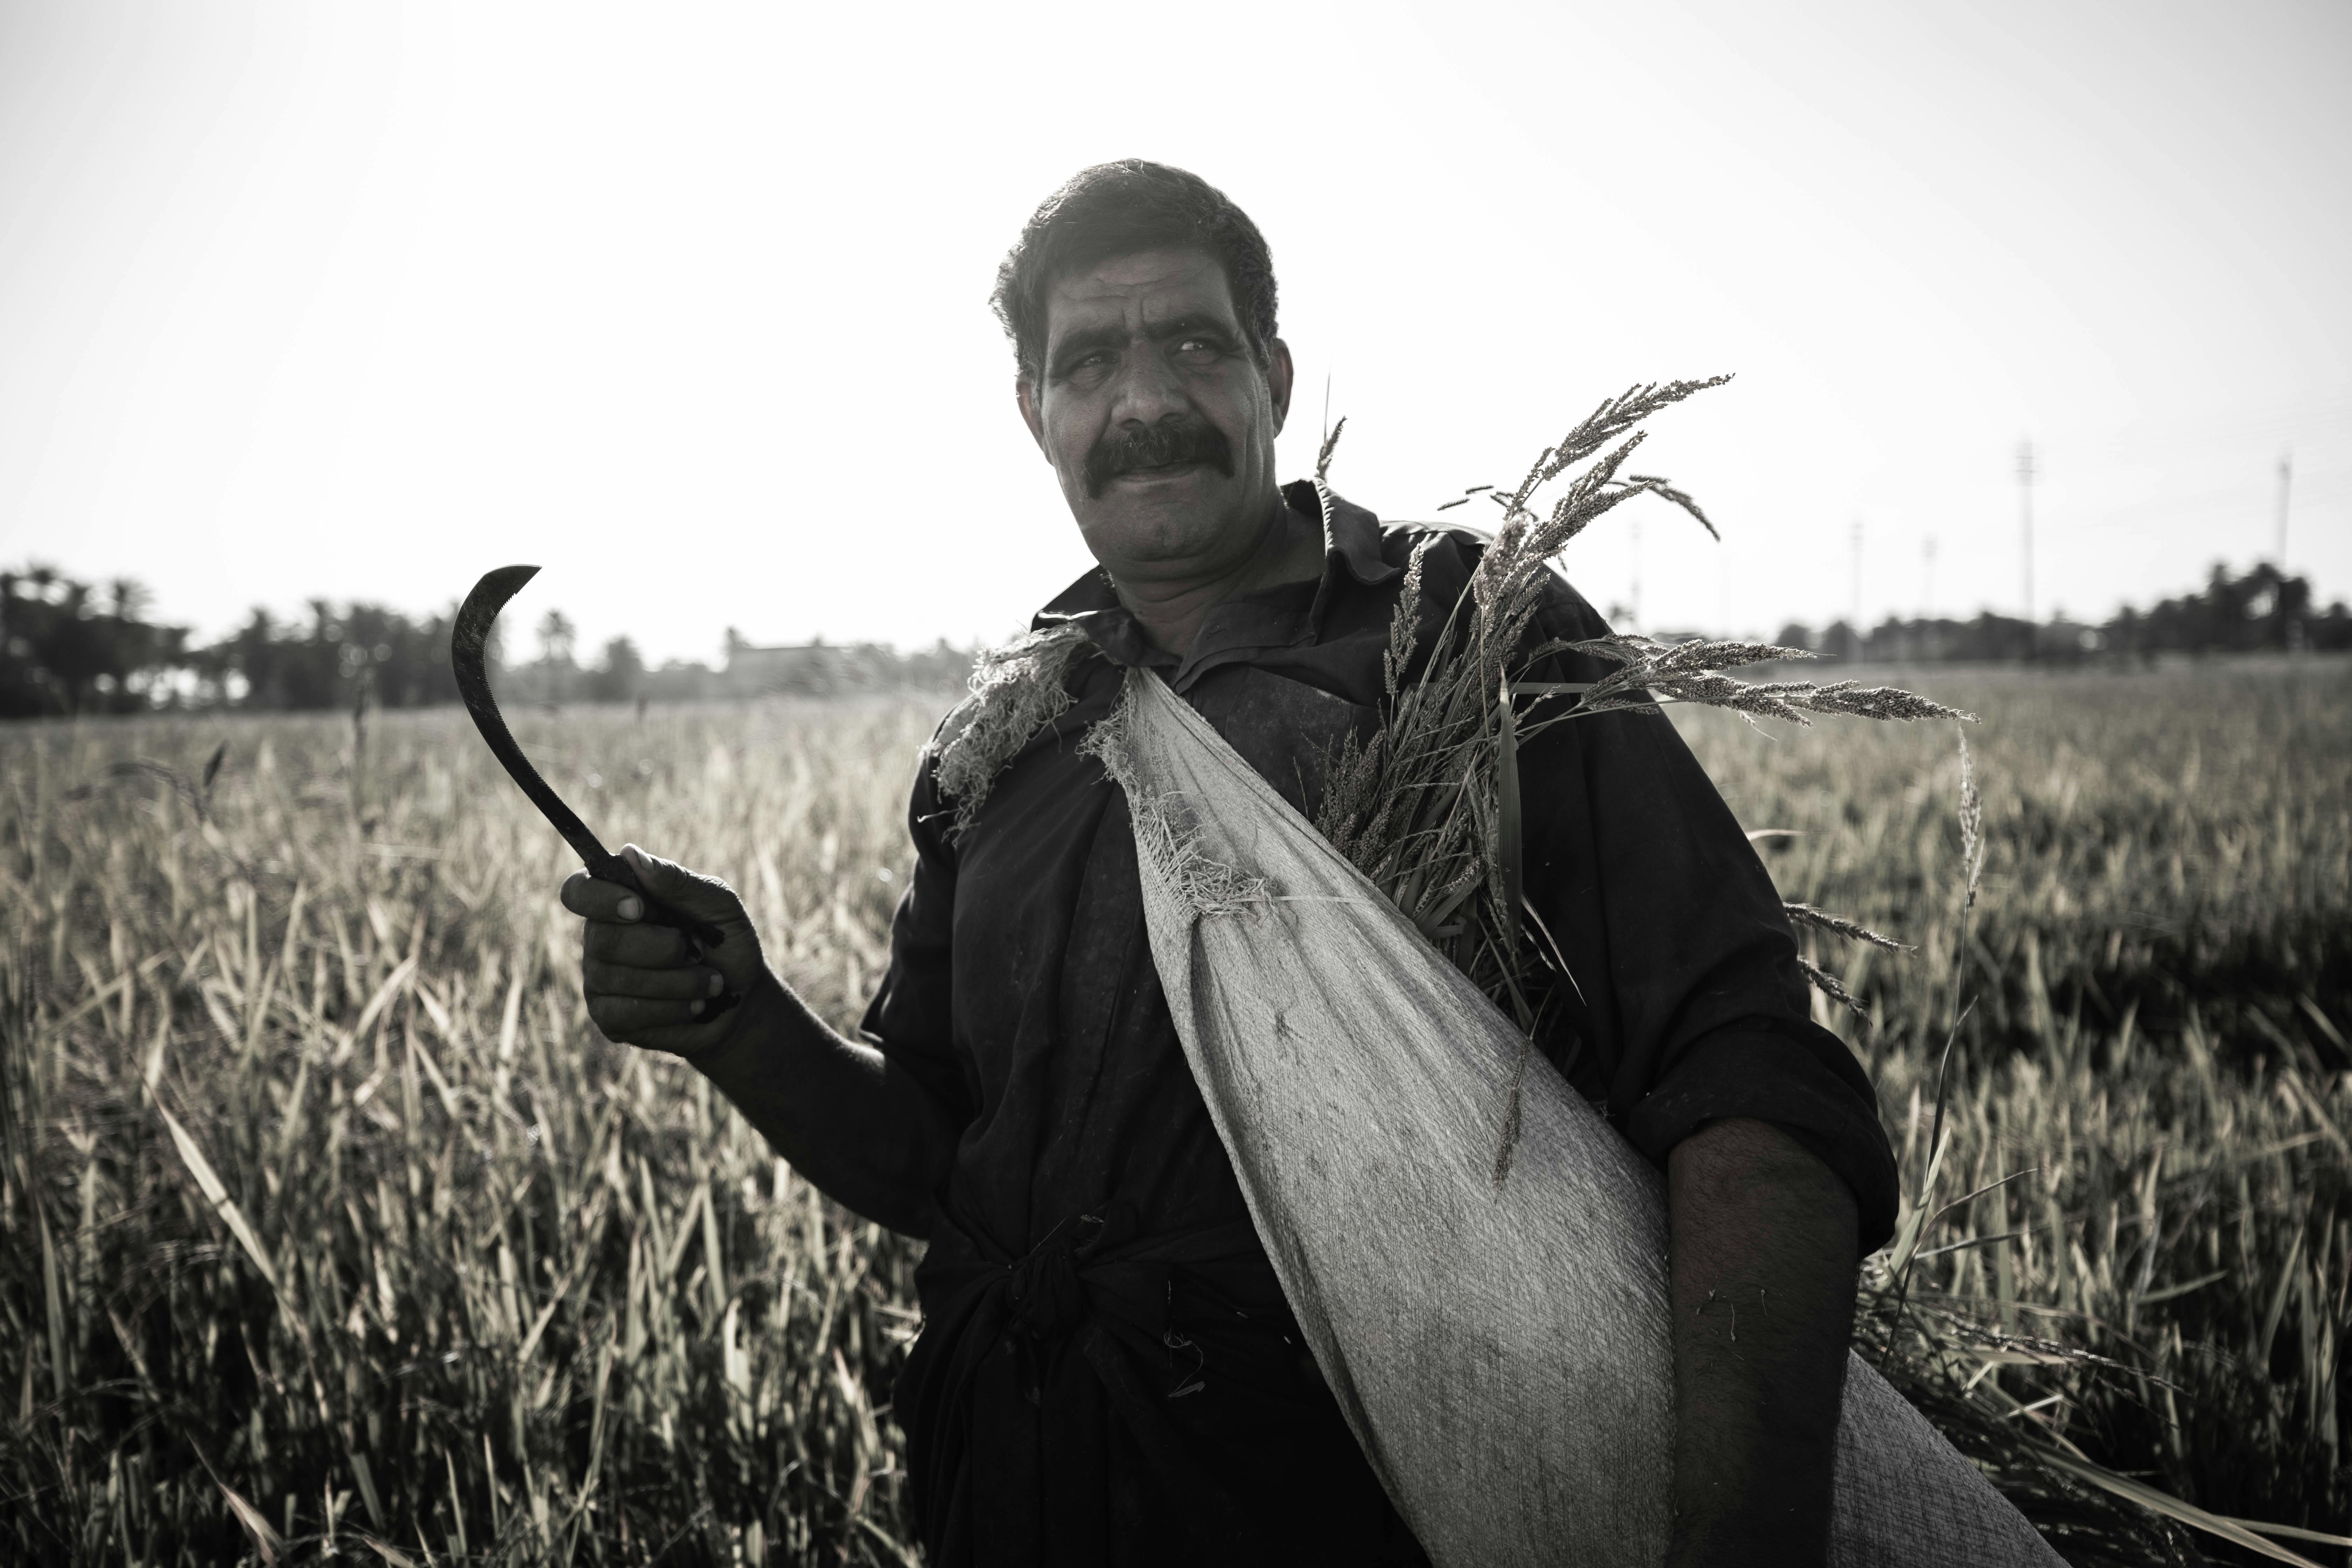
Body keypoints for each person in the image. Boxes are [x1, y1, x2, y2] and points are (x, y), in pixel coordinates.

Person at [561, 160, 1898, 1567]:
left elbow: (1746, 1083)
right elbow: (946, 1154)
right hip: (1021, 1492)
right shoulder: (1006, 736)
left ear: (1272, 371)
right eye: (1089, 363)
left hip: (1368, 1505)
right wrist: (741, 1024)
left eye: (1193, 346)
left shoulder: (1459, 638)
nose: (1142, 404)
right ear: (1037, 413)